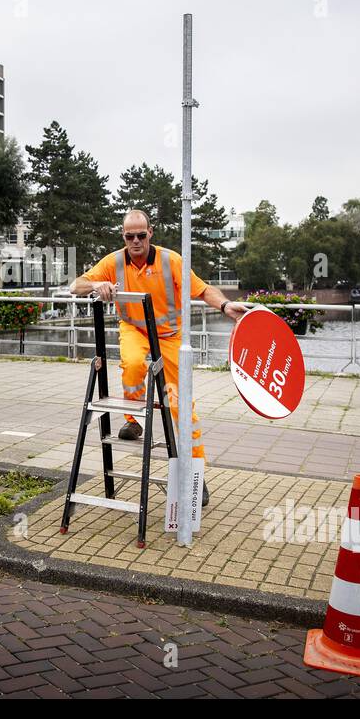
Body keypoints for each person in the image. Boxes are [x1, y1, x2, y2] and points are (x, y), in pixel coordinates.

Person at [70, 209, 244, 506]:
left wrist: (225, 305)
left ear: (150, 232)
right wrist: (97, 285)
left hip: (169, 336)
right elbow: (75, 285)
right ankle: (134, 421)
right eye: (129, 236)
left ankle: (194, 476)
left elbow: (202, 290)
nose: (135, 241)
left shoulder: (170, 260)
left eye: (141, 235)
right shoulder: (113, 262)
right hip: (136, 330)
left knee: (179, 407)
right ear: (123, 236)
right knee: (134, 365)